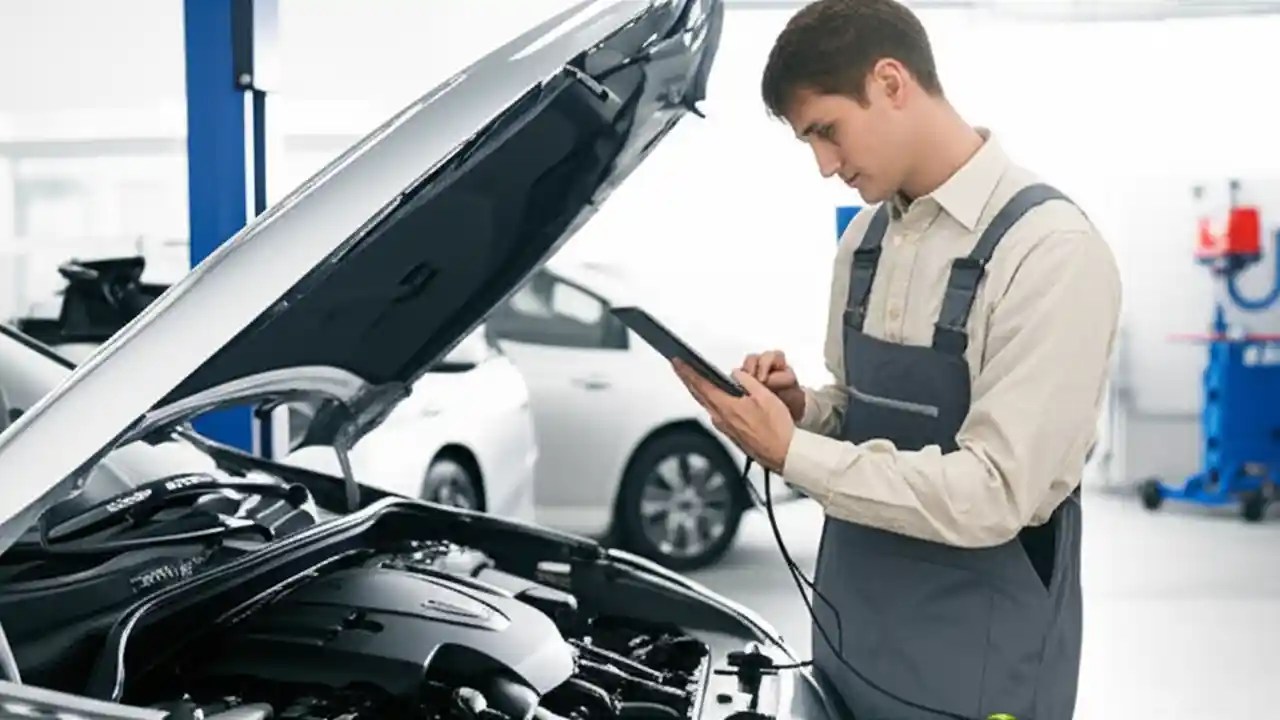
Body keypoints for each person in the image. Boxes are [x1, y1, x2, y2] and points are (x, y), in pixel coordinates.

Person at [671, 1, 1122, 719]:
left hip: (978, 667)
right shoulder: (866, 244)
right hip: (852, 642)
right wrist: (804, 414)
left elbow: (998, 491)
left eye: (826, 131)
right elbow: (860, 413)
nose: (823, 166)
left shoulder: (1050, 254)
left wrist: (793, 455)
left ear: (890, 82)